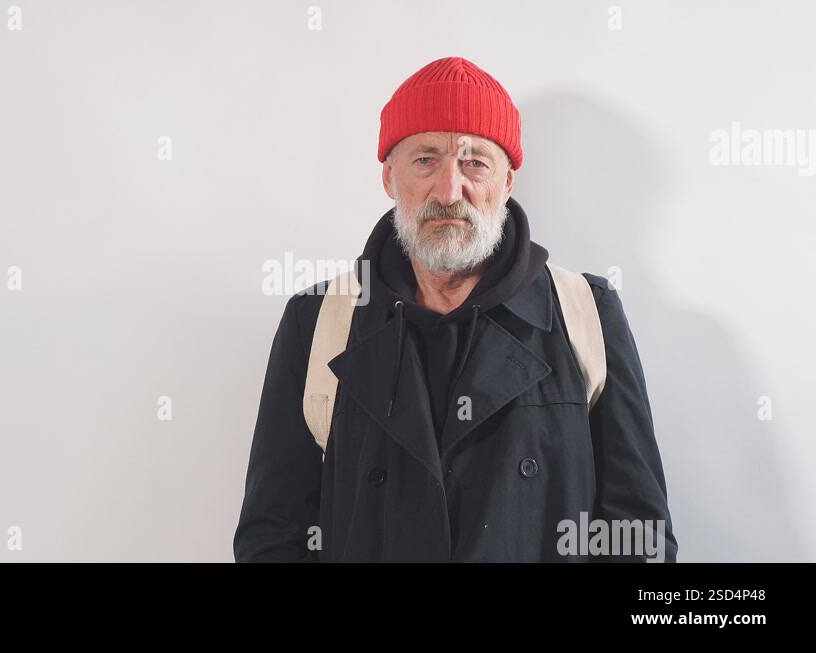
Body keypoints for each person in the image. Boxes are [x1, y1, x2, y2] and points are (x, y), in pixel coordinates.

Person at [234, 56, 677, 562]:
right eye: (425, 159)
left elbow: (640, 535)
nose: (449, 191)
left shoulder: (586, 312)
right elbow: (271, 536)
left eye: (474, 162)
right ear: (389, 177)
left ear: (507, 183)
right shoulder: (317, 320)